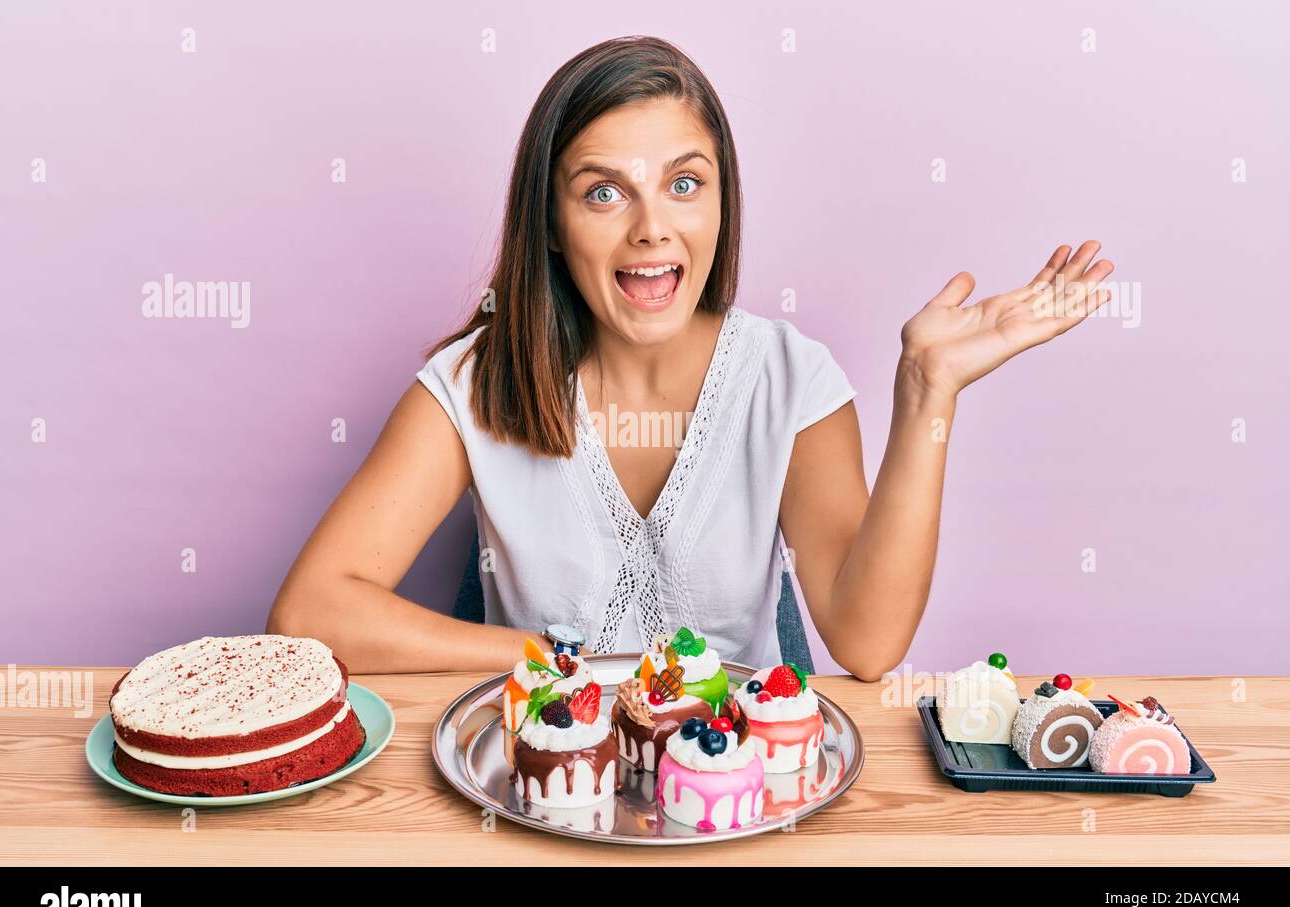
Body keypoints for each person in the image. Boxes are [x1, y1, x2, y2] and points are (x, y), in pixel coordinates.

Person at [267, 36, 1112, 676]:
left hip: (734, 801)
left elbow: (868, 642)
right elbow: (310, 613)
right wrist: (555, 661)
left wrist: (929, 393)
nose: (651, 228)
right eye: (604, 192)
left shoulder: (793, 381)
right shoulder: (475, 383)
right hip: (544, 796)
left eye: (683, 183)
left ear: (720, 200)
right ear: (552, 227)